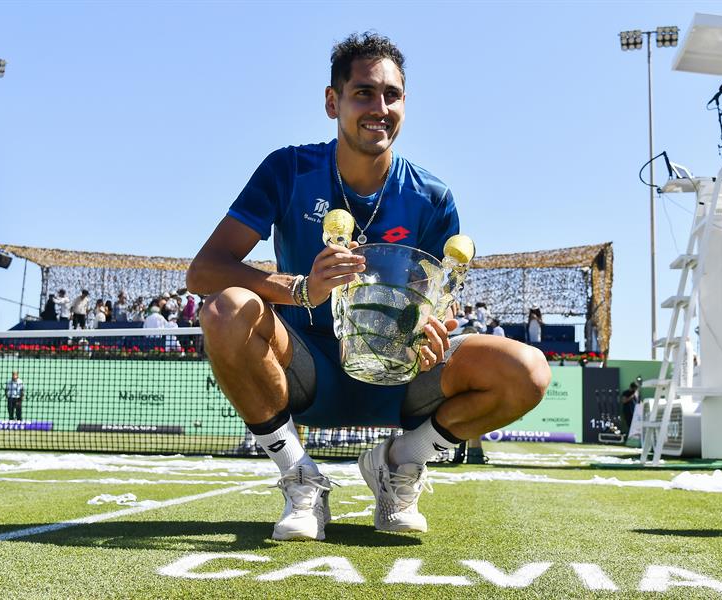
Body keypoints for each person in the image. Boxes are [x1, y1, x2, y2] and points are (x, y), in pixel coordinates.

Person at [187, 32, 550, 542]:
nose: (379, 107)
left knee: (528, 371)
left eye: (392, 95)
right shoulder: (288, 169)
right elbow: (203, 271)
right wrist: (298, 287)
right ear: (333, 101)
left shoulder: (433, 196)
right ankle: (300, 478)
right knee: (226, 309)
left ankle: (401, 462)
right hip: (306, 367)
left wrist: (435, 331)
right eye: (363, 93)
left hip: (399, 376)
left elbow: (439, 301)